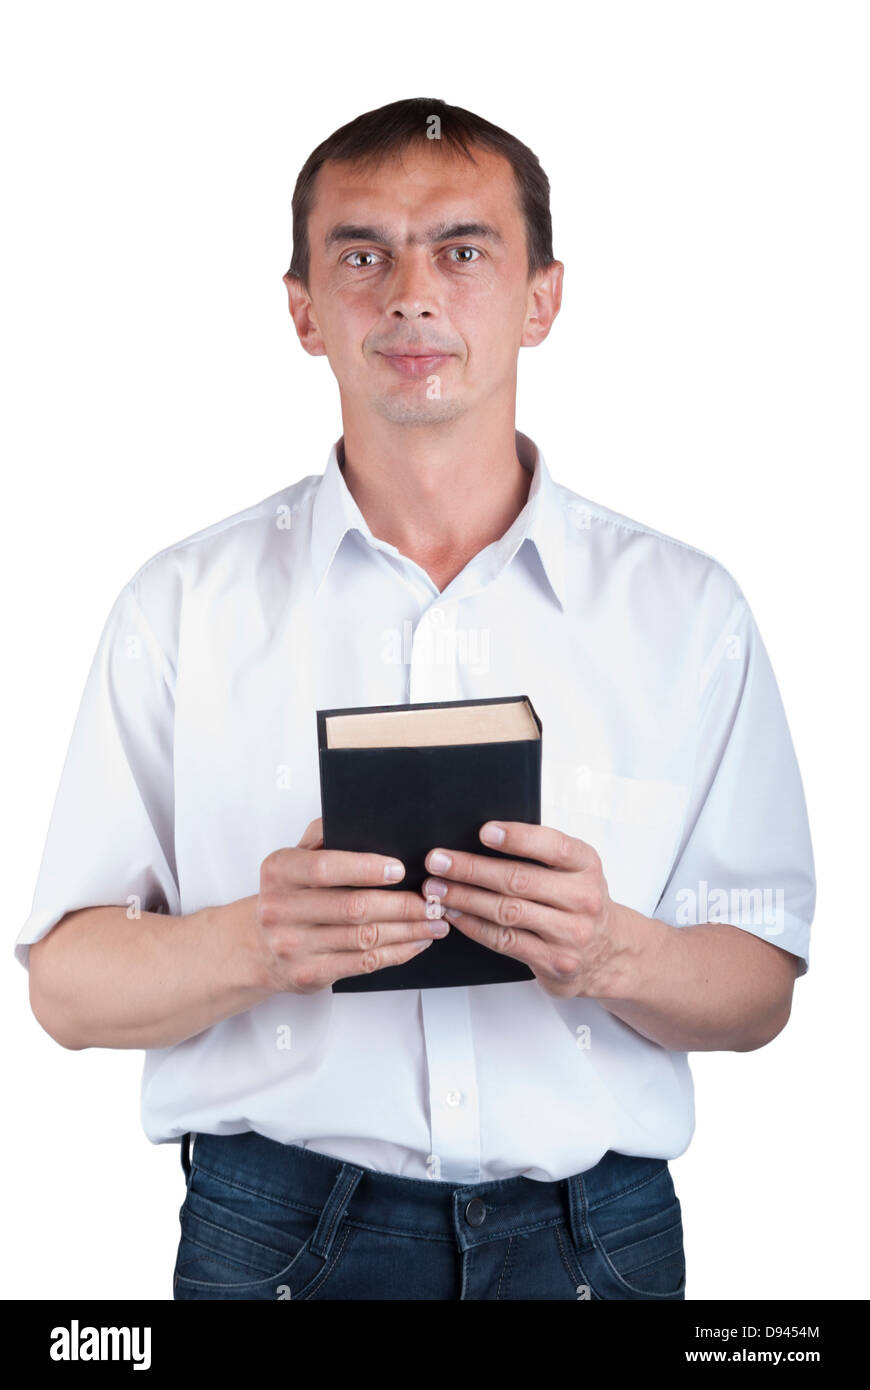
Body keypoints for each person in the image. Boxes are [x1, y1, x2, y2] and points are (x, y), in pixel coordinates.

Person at [15, 96, 815, 1301]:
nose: (410, 293)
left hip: (598, 1241)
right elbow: (65, 987)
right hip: (277, 1230)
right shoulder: (180, 606)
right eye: (361, 254)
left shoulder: (687, 612)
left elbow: (761, 984)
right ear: (303, 309)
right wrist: (257, 940)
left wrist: (612, 950)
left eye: (462, 249)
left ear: (543, 297)